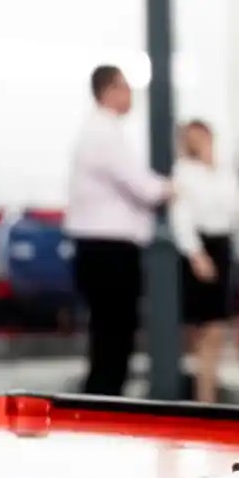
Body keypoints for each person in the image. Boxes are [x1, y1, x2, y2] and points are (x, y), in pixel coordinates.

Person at [65, 65, 172, 396]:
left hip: (98, 249)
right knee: (115, 335)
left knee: (107, 333)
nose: (130, 97)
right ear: (108, 90)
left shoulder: (98, 131)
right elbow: (143, 187)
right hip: (108, 250)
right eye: (125, 88)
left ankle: (103, 397)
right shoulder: (104, 133)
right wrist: (174, 188)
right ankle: (104, 402)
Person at [169, 120, 239, 403]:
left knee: (217, 327)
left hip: (222, 247)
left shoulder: (224, 174)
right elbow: (180, 216)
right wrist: (196, 255)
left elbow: (236, 209)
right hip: (197, 249)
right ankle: (190, 391)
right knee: (195, 328)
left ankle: (207, 394)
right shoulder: (182, 173)